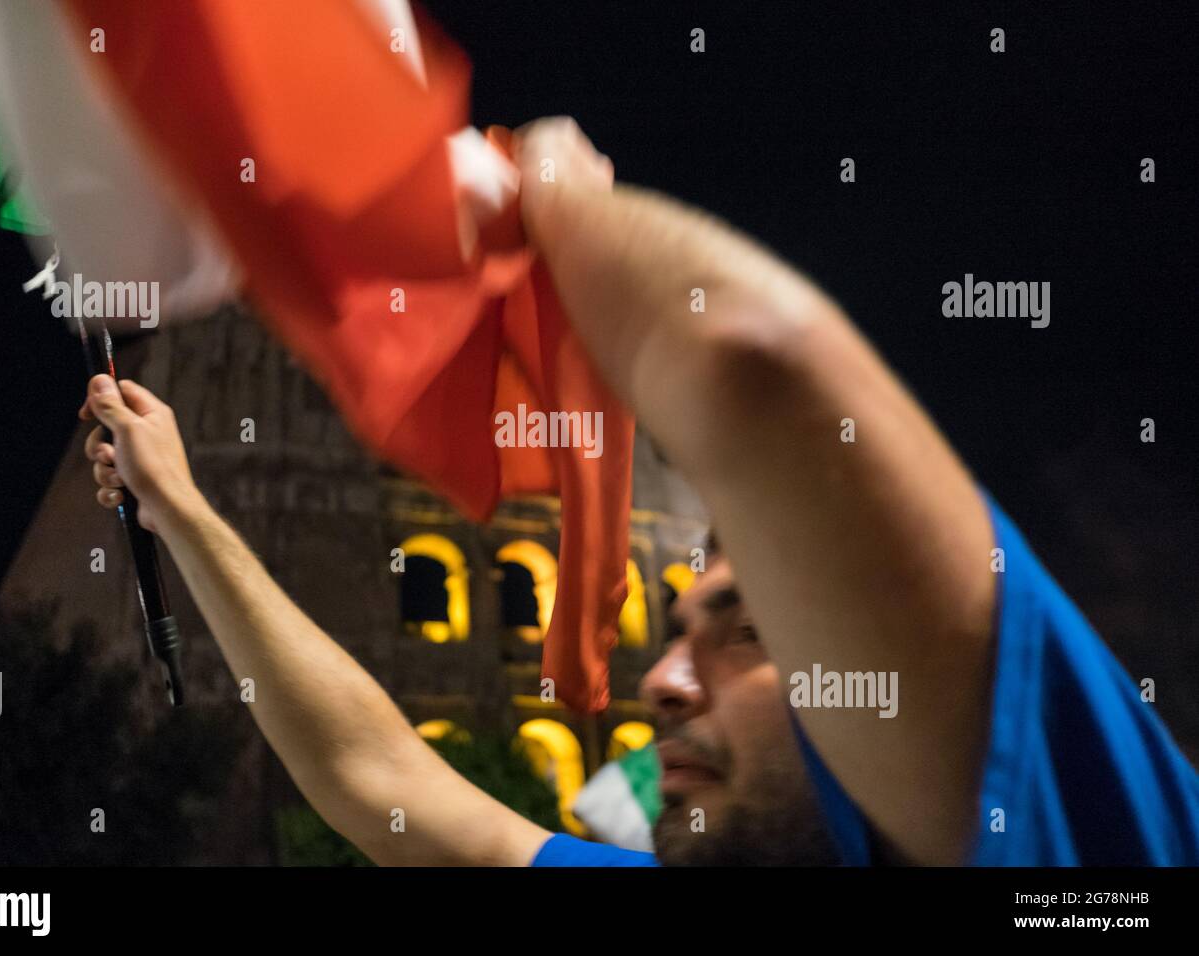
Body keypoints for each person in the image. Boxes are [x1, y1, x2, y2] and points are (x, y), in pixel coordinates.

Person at [80, 118, 1199, 866]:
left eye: (744, 629)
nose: (660, 680)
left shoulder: (1089, 841)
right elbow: (375, 777)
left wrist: (555, 199)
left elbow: (755, 360)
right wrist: (176, 503)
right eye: (674, 631)